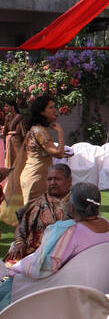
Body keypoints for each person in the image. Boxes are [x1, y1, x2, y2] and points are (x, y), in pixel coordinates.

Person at [0, 182, 109, 310]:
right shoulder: (108, 226)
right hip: (91, 285)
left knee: (10, 283)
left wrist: (19, 267)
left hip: (59, 288)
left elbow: (46, 267)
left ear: (71, 206)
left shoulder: (71, 232)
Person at [0, 93, 68, 224]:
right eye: (51, 108)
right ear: (42, 111)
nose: (55, 110)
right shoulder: (39, 131)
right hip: (35, 179)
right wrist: (60, 132)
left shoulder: (37, 129)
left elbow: (44, 152)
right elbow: (58, 153)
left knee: (37, 219)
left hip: (36, 176)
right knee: (34, 220)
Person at [5, 163, 72, 264]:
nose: (52, 183)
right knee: (10, 268)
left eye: (57, 179)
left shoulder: (77, 203)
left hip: (63, 252)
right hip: (32, 252)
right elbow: (22, 226)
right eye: (49, 179)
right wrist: (20, 242)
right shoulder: (37, 203)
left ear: (69, 180)